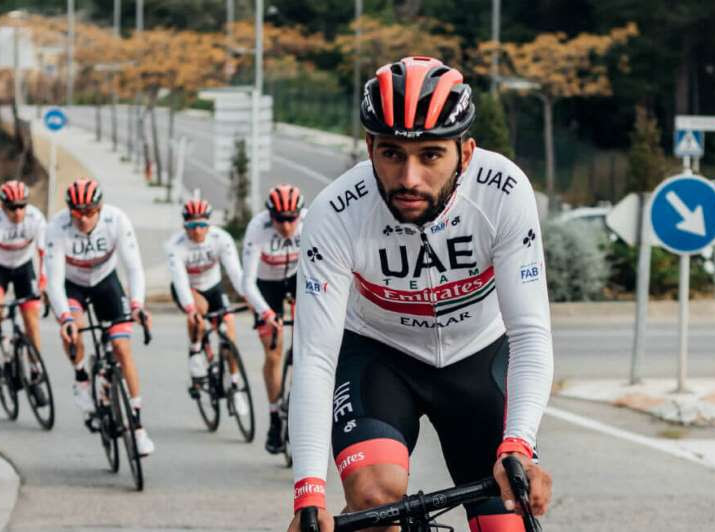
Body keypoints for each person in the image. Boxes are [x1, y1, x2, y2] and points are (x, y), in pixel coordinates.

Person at [287, 56, 553, 532]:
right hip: (380, 356)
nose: (409, 177)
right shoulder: (335, 212)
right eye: (391, 153)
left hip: (478, 357)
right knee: (372, 499)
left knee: (505, 522)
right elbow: (314, 357)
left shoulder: (504, 192)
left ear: (465, 153)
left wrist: (518, 445)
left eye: (430, 155)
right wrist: (308, 492)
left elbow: (530, 333)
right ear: (369, 147)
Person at [44, 179, 155, 456]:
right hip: (73, 286)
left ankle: (138, 427)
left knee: (121, 348)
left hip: (106, 281)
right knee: (76, 327)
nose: (83, 218)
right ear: (69, 210)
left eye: (90, 211)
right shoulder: (57, 228)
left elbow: (134, 268)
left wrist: (138, 304)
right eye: (77, 212)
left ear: (100, 208)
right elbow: (54, 282)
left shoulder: (116, 220)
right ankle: (82, 377)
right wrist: (66, 318)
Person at [166, 198, 248, 413]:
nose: (198, 230)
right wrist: (191, 309)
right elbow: (181, 282)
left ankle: (236, 385)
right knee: (199, 314)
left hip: (213, 286)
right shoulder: (176, 245)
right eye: (193, 226)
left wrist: (248, 296)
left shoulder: (221, 239)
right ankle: (195, 351)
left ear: (209, 225)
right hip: (189, 289)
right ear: (185, 226)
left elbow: (235, 273)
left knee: (229, 332)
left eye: (202, 225)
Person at [241, 184, 306, 454]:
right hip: (265, 285)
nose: (287, 225)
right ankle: (273, 417)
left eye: (292, 218)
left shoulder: (312, 220)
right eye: (281, 219)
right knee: (273, 354)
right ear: (270, 216)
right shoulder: (258, 228)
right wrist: (267, 314)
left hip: (296, 276)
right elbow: (247, 283)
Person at [0, 181, 47, 389]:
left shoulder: (36, 218)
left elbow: (44, 254)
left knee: (31, 321)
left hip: (24, 267)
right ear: (3, 206)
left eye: (22, 206)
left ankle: (35, 369)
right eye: (12, 207)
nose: (18, 211)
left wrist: (43, 284)